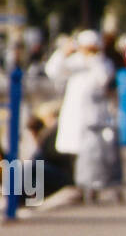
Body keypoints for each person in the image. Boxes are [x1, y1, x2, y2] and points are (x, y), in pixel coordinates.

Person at [44, 29, 120, 201]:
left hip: (94, 116)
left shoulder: (102, 62)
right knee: (74, 152)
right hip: (74, 114)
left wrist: (93, 58)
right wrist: (63, 52)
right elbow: (52, 70)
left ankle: (92, 187)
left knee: (94, 154)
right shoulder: (74, 62)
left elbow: (104, 78)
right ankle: (76, 185)